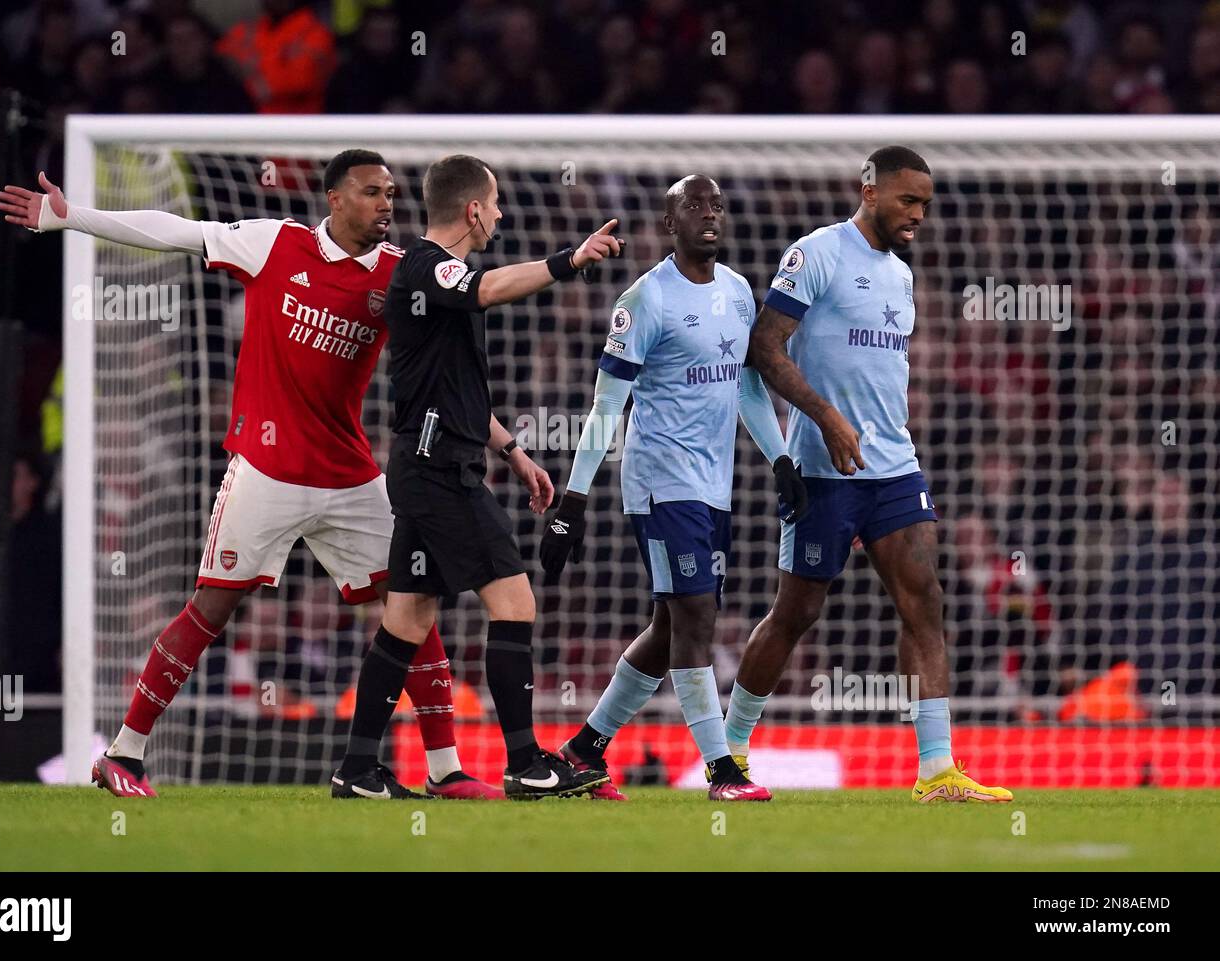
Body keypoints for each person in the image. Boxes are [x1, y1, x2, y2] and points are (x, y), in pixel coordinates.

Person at [0, 149, 502, 800]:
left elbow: (448, 375)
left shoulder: (398, 275)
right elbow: (176, 231)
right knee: (213, 604)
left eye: (391, 195)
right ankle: (124, 754)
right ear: (335, 198)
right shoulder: (274, 243)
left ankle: (444, 771)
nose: (386, 205)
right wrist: (74, 218)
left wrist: (509, 446)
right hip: (266, 468)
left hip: (349, 473)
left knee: (411, 607)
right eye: (371, 192)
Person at [722, 146, 1013, 803]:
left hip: (893, 466)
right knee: (796, 612)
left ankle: (937, 769)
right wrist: (824, 418)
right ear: (870, 190)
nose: (918, 215)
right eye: (908, 200)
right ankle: (730, 751)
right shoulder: (816, 253)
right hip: (824, 471)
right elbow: (763, 347)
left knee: (924, 601)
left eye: (926, 205)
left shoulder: (901, 276)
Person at [332, 154, 621, 800]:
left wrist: (514, 451)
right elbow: (485, 288)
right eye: (493, 204)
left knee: (406, 619)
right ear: (471, 209)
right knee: (515, 603)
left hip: (429, 462)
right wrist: (567, 261)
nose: (499, 214)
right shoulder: (428, 265)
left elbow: (454, 389)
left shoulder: (433, 278)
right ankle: (524, 761)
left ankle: (355, 770)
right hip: (438, 473)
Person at [539, 174, 803, 802]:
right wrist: (572, 501)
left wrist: (783, 460)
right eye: (693, 205)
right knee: (696, 617)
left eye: (716, 203)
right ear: (668, 223)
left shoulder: (739, 293)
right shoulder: (645, 299)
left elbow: (746, 388)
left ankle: (582, 752)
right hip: (660, 479)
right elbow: (607, 407)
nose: (708, 214)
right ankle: (722, 770)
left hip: (714, 486)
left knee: (667, 627)